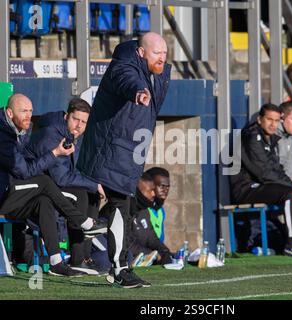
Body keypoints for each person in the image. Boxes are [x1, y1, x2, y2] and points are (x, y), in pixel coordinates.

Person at [77, 32, 171, 288]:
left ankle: (103, 256)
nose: (162, 58)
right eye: (156, 53)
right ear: (142, 52)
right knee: (120, 204)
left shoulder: (162, 71)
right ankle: (119, 269)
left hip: (131, 149)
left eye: (165, 53)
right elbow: (125, 78)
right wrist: (138, 92)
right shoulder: (124, 63)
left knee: (117, 205)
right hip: (111, 148)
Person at [0, 94, 106, 276]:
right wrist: (55, 153)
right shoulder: (4, 136)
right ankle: (83, 227)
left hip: (19, 194)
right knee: (47, 183)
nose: (28, 115)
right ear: (9, 113)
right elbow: (25, 172)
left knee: (44, 201)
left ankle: (56, 261)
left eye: (30, 111)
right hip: (5, 195)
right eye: (23, 111)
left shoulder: (24, 130)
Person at [230, 103, 292, 259]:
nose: (273, 124)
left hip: (261, 185)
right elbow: (263, 173)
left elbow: (277, 170)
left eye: (276, 121)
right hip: (246, 189)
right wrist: (291, 186)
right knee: (289, 193)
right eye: (269, 119)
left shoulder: (269, 138)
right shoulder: (251, 137)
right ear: (259, 119)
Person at [128, 172, 173, 267]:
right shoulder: (125, 211)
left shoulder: (144, 211)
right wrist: (151, 253)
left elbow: (151, 238)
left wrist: (164, 251)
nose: (153, 194)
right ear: (138, 191)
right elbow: (127, 244)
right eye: (150, 190)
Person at [145, 167, 170, 242]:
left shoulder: (160, 211)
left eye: (168, 186)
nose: (165, 190)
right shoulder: (141, 209)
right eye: (161, 186)